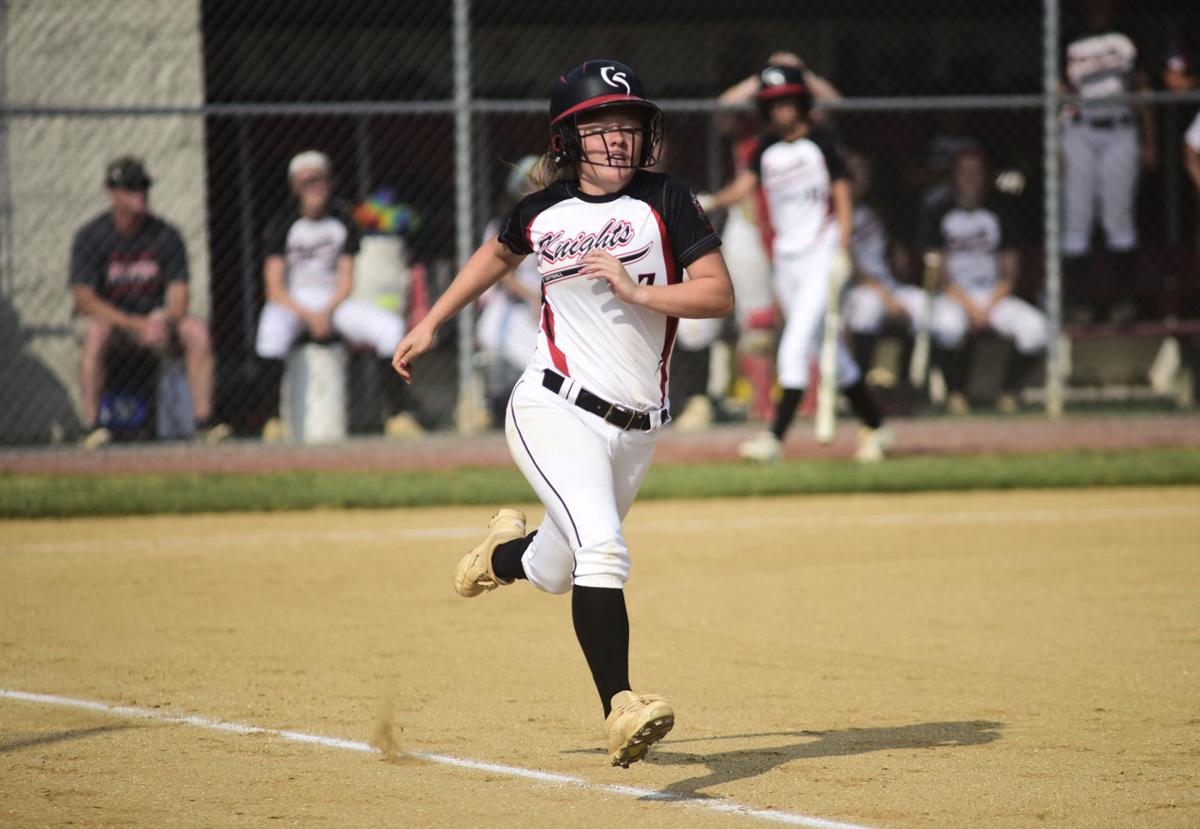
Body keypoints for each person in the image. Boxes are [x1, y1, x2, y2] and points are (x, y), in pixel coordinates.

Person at [390, 60, 733, 767]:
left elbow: (717, 294)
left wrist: (640, 293)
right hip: (551, 404)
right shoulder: (541, 210)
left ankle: (500, 554)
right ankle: (622, 704)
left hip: (636, 428)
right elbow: (495, 253)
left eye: (630, 125)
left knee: (553, 569)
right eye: (602, 125)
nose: (619, 139)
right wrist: (433, 321)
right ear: (569, 139)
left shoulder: (666, 199)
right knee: (603, 548)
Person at [700, 64, 890, 463]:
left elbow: (843, 197)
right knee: (829, 352)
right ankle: (877, 426)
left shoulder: (823, 143)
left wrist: (842, 250)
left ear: (802, 103)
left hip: (822, 254)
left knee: (795, 345)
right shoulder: (765, 147)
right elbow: (745, 187)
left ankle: (774, 437)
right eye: (774, 105)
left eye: (789, 103)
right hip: (786, 259)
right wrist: (712, 201)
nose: (783, 112)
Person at [708, 51, 842, 423]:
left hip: (795, 227)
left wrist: (799, 73)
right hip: (750, 224)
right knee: (758, 321)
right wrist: (765, 76)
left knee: (804, 316)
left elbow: (836, 104)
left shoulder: (806, 122)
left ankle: (810, 403)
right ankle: (762, 404)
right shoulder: (750, 118)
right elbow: (722, 108)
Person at [69, 156, 226, 450]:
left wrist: (164, 319)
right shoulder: (91, 235)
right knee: (95, 332)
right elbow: (84, 300)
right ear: (112, 193)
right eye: (129, 188)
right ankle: (91, 426)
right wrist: (133, 323)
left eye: (142, 187)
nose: (139, 193)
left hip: (155, 322)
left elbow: (180, 296)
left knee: (197, 332)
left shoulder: (165, 235)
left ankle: (204, 421)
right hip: (113, 323)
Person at [255, 151, 414, 440]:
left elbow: (345, 279)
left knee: (389, 327)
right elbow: (274, 287)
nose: (316, 187)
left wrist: (326, 312)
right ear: (294, 186)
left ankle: (395, 416)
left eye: (321, 179)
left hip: (335, 300)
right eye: (307, 181)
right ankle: (272, 421)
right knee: (270, 330)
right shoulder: (282, 223)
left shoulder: (342, 219)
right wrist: (308, 315)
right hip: (294, 300)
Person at [920, 150, 1049, 414]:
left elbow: (1011, 273)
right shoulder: (938, 213)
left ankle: (1008, 391)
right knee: (948, 325)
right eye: (963, 172)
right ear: (953, 176)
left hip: (993, 294)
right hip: (953, 294)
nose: (970, 178)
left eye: (976, 172)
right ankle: (956, 393)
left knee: (1036, 329)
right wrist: (970, 307)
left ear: (985, 177)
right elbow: (937, 273)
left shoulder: (999, 213)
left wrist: (988, 307)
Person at [1061, 0, 1156, 324]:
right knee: (1077, 217)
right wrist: (1056, 144)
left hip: (1120, 129)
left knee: (1118, 217)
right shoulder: (1068, 37)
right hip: (1079, 130)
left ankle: (1124, 303)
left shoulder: (1128, 36)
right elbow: (1059, 92)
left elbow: (1142, 89)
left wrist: (1150, 141)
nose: (1097, 8)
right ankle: (1078, 305)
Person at [840, 149, 927, 384]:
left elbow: (892, 256)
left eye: (864, 171)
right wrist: (885, 297)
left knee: (923, 306)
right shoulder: (834, 213)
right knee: (870, 307)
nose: (860, 177)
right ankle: (858, 382)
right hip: (853, 289)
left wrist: (897, 256)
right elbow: (848, 266)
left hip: (886, 284)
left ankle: (907, 384)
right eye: (853, 172)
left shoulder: (876, 209)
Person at [475, 155, 543, 424]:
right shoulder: (503, 225)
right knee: (535, 360)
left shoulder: (555, 222)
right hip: (509, 309)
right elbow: (503, 274)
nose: (537, 190)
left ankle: (504, 405)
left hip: (545, 308)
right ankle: (496, 405)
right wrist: (533, 298)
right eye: (530, 184)